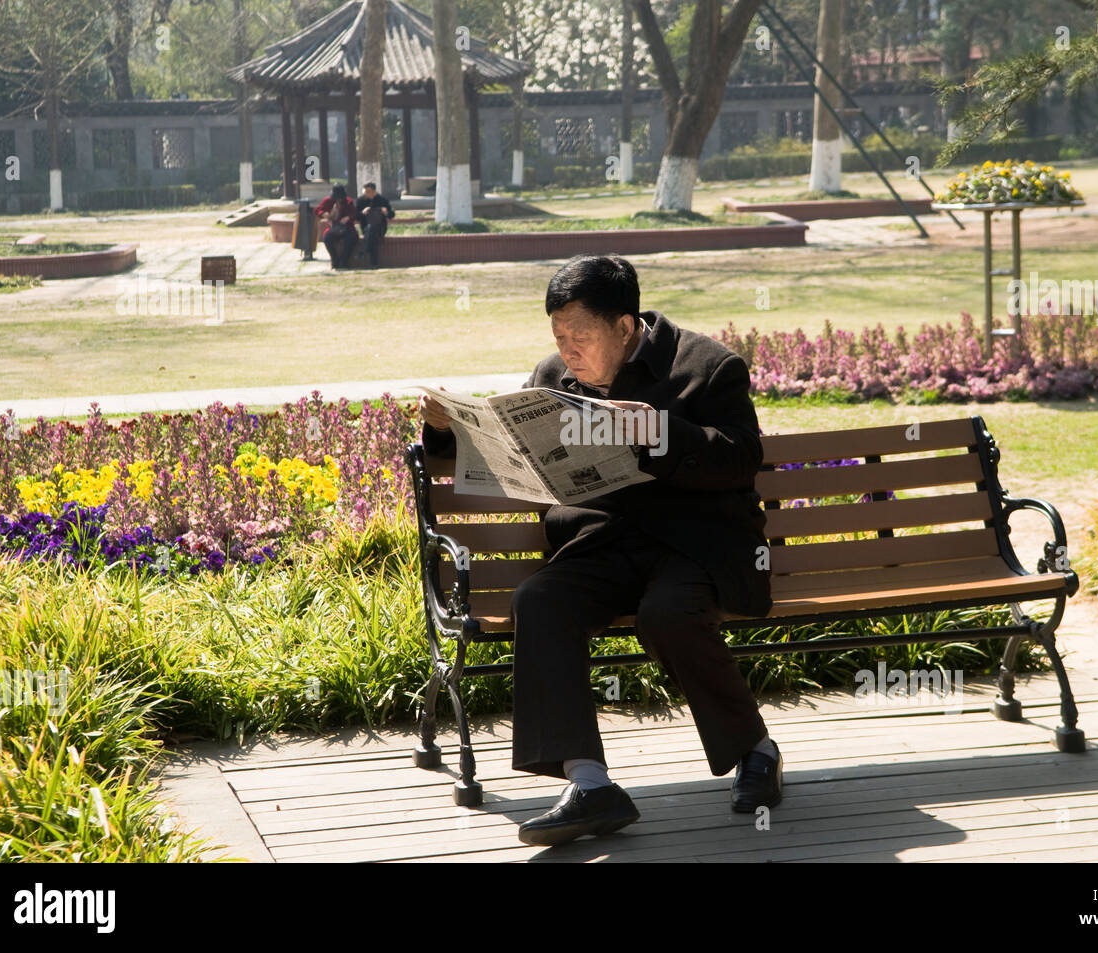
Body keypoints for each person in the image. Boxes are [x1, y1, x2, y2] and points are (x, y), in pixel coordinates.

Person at [417, 255, 782, 848]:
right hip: (598, 547)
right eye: (559, 337)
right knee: (539, 600)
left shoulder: (707, 368)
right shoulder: (552, 378)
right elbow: (496, 455)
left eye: (580, 337)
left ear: (624, 325)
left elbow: (742, 459)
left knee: (669, 614)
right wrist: (440, 430)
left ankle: (755, 750)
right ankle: (589, 783)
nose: (568, 352)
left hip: (691, 547)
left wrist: (660, 433)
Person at [314, 184, 358, 269]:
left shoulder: (348, 201)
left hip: (347, 227)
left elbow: (354, 213)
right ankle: (335, 261)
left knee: (351, 238)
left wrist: (348, 217)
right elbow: (317, 210)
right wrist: (323, 214)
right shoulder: (328, 200)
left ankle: (344, 261)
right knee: (327, 239)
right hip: (333, 227)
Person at [356, 182, 396, 269]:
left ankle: (363, 251)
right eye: (365, 191)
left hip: (380, 228)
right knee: (372, 235)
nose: (366, 194)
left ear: (374, 191)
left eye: (368, 191)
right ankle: (374, 264)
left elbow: (392, 215)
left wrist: (386, 212)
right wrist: (362, 213)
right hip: (366, 228)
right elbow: (356, 216)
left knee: (372, 232)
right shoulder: (361, 200)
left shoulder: (382, 200)